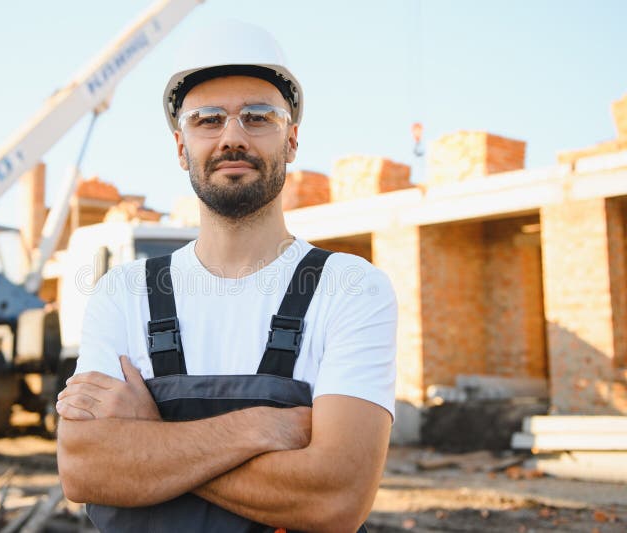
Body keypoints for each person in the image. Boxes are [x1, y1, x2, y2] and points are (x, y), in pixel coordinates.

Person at [56, 20, 397, 533]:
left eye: (259, 117)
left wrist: (151, 436)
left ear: (292, 141)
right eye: (208, 119)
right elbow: (84, 469)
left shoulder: (350, 288)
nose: (232, 136)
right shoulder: (123, 294)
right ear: (180, 146)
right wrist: (260, 427)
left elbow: (336, 497)